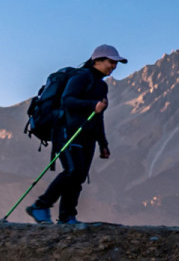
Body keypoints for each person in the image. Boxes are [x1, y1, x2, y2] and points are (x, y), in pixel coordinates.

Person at [26, 45, 121, 228]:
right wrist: (92, 105)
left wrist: (103, 144)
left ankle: (67, 216)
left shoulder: (101, 85)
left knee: (79, 176)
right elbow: (67, 100)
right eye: (111, 62)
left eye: (116, 63)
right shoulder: (82, 76)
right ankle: (40, 206)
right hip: (67, 131)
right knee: (73, 171)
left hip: (87, 135)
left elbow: (98, 116)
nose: (114, 66)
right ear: (97, 60)